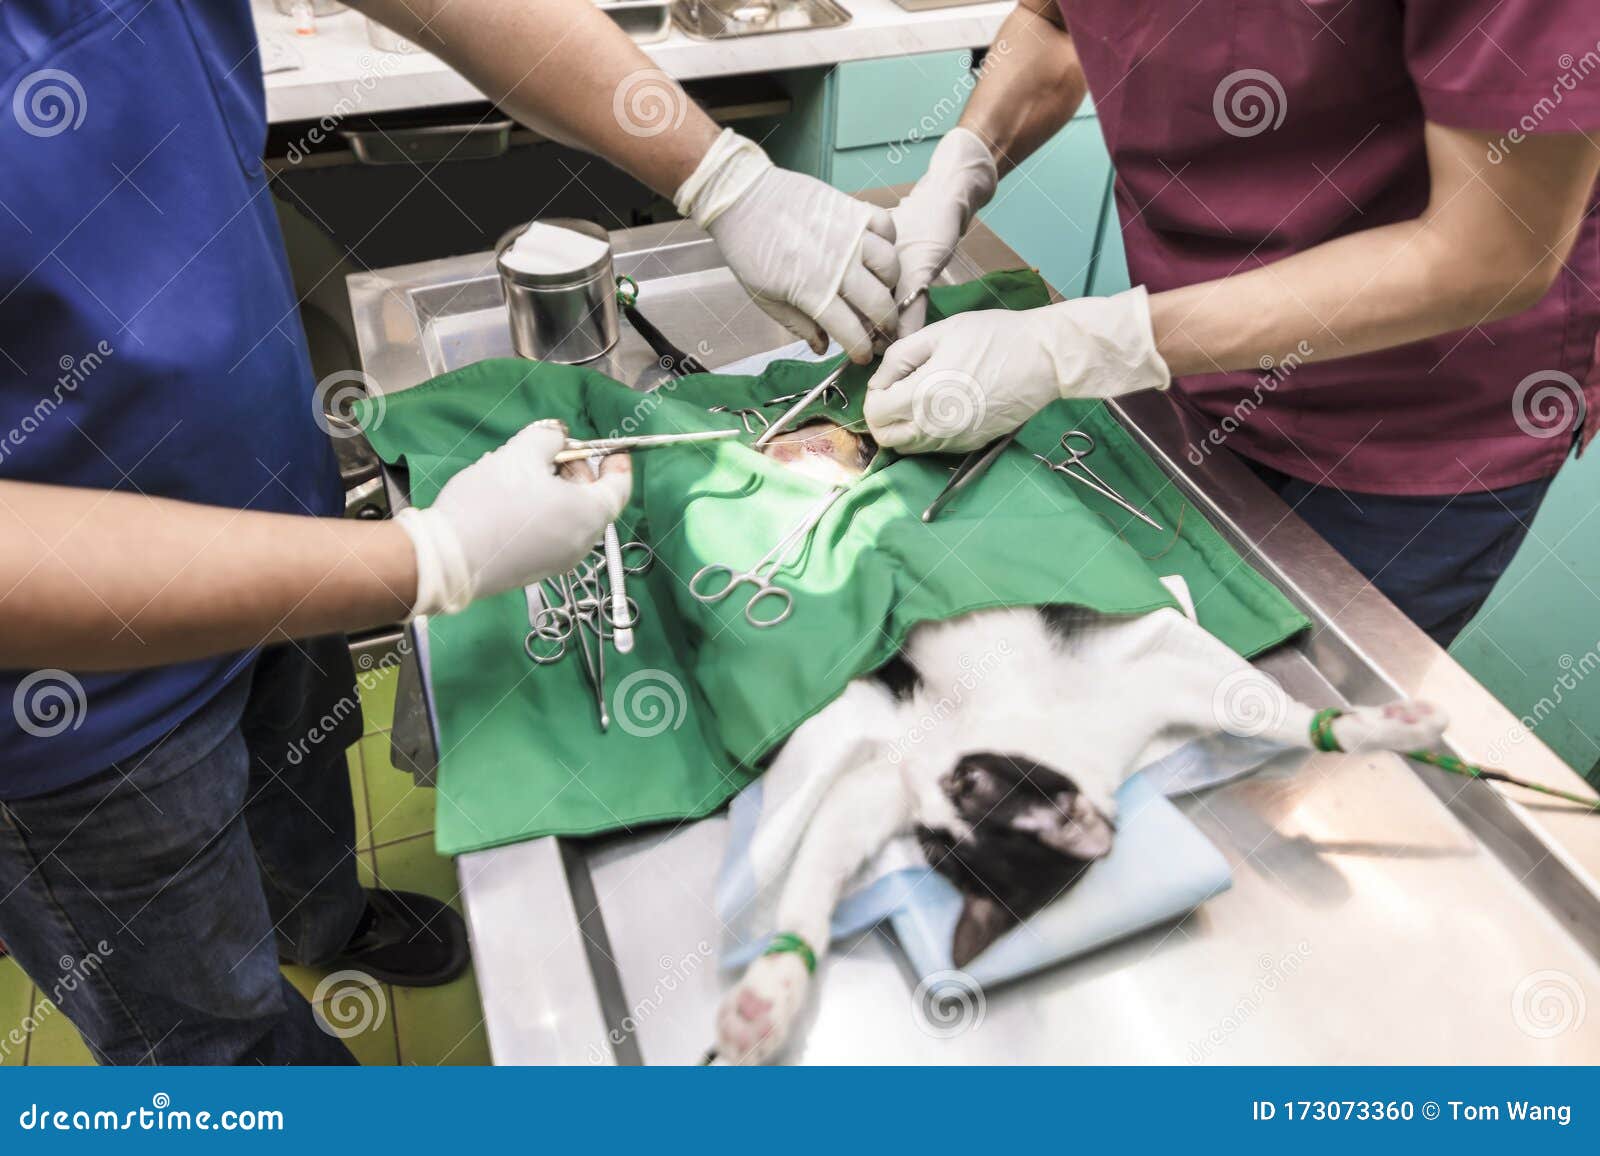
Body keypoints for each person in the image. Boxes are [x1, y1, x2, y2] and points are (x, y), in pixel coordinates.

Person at [0, 0, 897, 1064]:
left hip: (275, 501)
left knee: (303, 789)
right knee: (212, 1032)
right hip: (73, 698)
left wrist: (722, 177)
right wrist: (432, 559)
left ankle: (328, 924)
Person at [866, 0, 1600, 647]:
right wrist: (963, 167)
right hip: (1188, 360)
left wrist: (1083, 347)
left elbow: (1489, 252)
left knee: (1276, 727)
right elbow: (1054, 27)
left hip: (1415, 424)